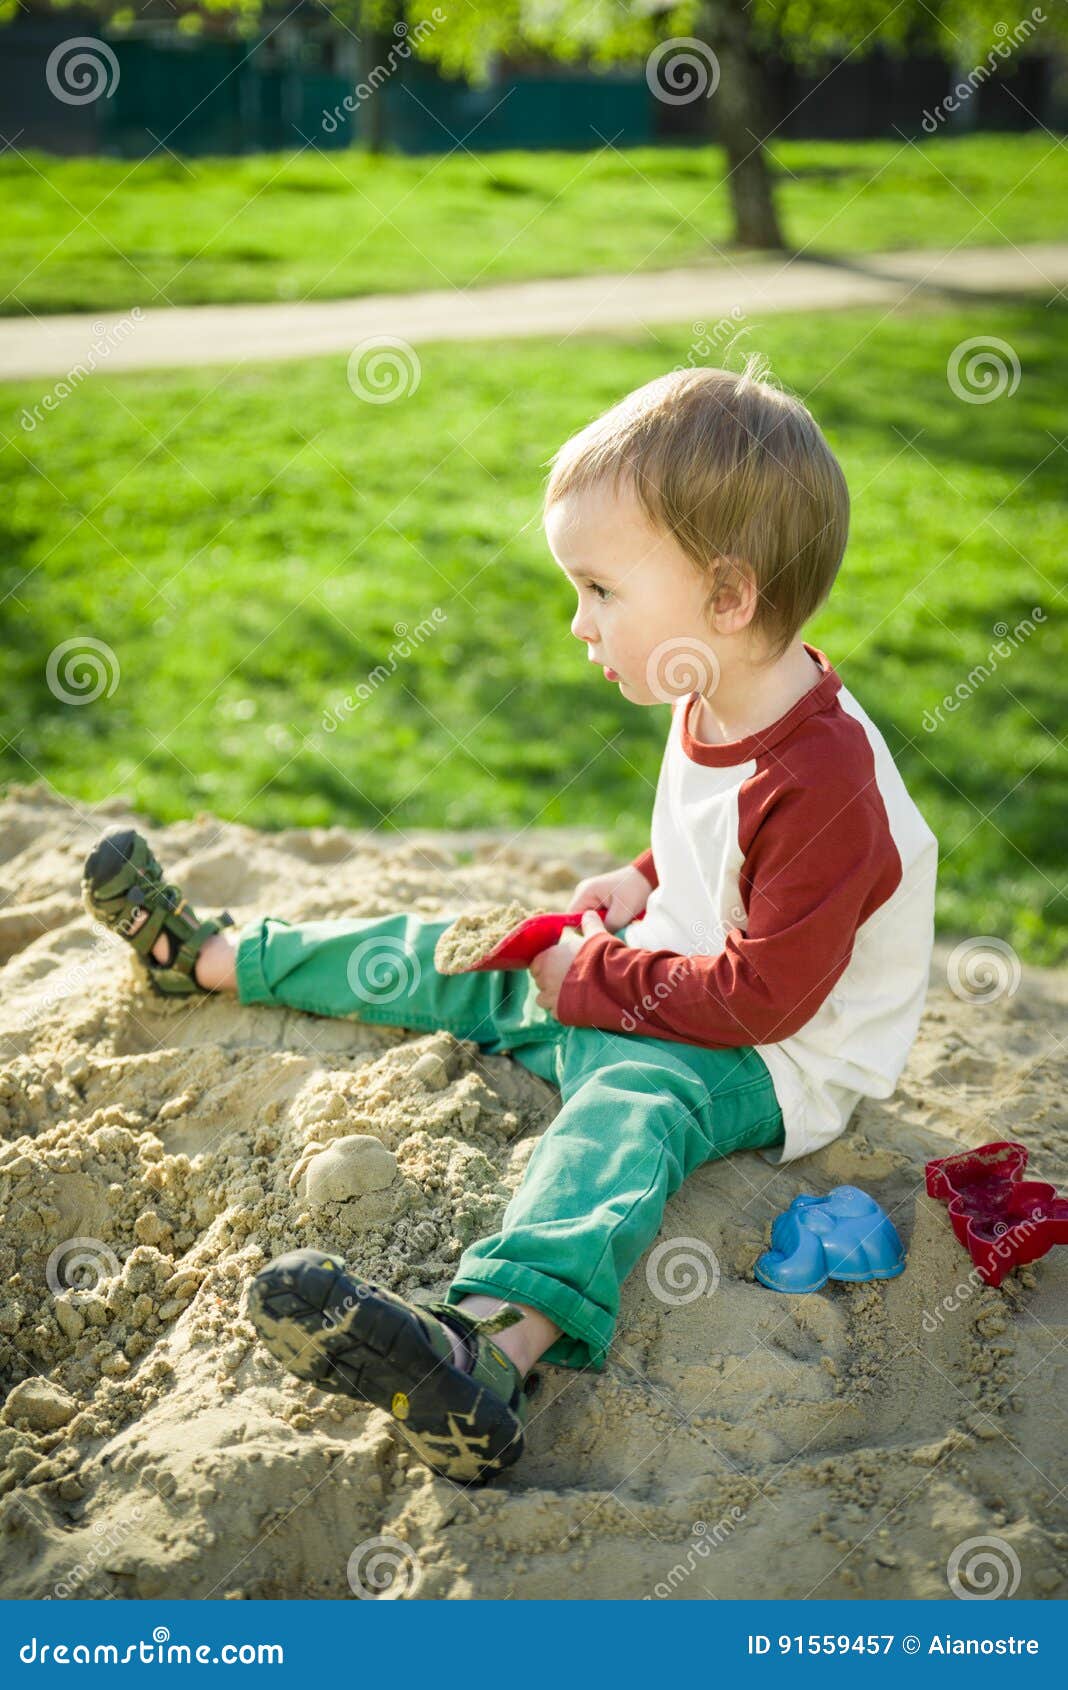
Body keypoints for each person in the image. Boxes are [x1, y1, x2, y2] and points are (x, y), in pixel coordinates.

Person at [82, 360, 938, 1487]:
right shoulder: (715, 681)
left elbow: (765, 994)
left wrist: (592, 977)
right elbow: (721, 844)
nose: (577, 621)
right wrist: (638, 885)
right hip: (679, 962)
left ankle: (492, 1345)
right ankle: (217, 956)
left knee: (629, 1109)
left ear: (726, 598)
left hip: (774, 1055)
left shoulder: (826, 779)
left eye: (599, 590)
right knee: (473, 947)